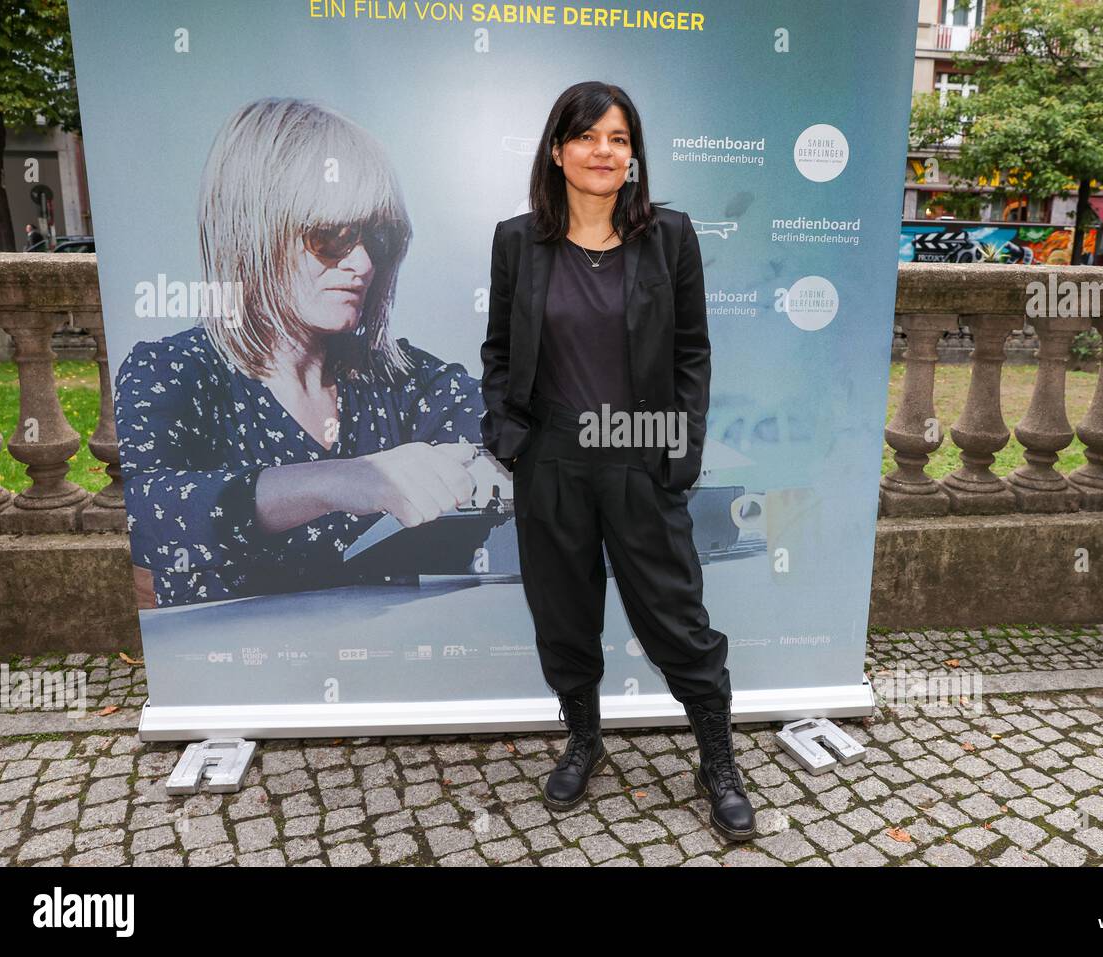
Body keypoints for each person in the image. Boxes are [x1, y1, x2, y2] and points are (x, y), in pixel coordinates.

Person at [479, 81, 755, 841]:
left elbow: (692, 351)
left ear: (633, 155)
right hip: (553, 463)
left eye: (619, 138)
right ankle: (585, 739)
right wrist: (510, 437)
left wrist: (681, 449)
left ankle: (717, 761)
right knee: (564, 614)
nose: (604, 151)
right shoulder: (516, 241)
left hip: (641, 457)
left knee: (676, 618)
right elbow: (500, 352)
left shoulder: (669, 236)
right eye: (588, 136)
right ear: (558, 150)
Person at [116, 97, 483, 607]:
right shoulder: (176, 371)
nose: (363, 263)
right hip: (236, 679)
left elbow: (523, 427)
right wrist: (337, 481)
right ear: (255, 230)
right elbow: (145, 513)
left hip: (394, 671)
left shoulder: (404, 379)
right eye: (331, 235)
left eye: (377, 237)